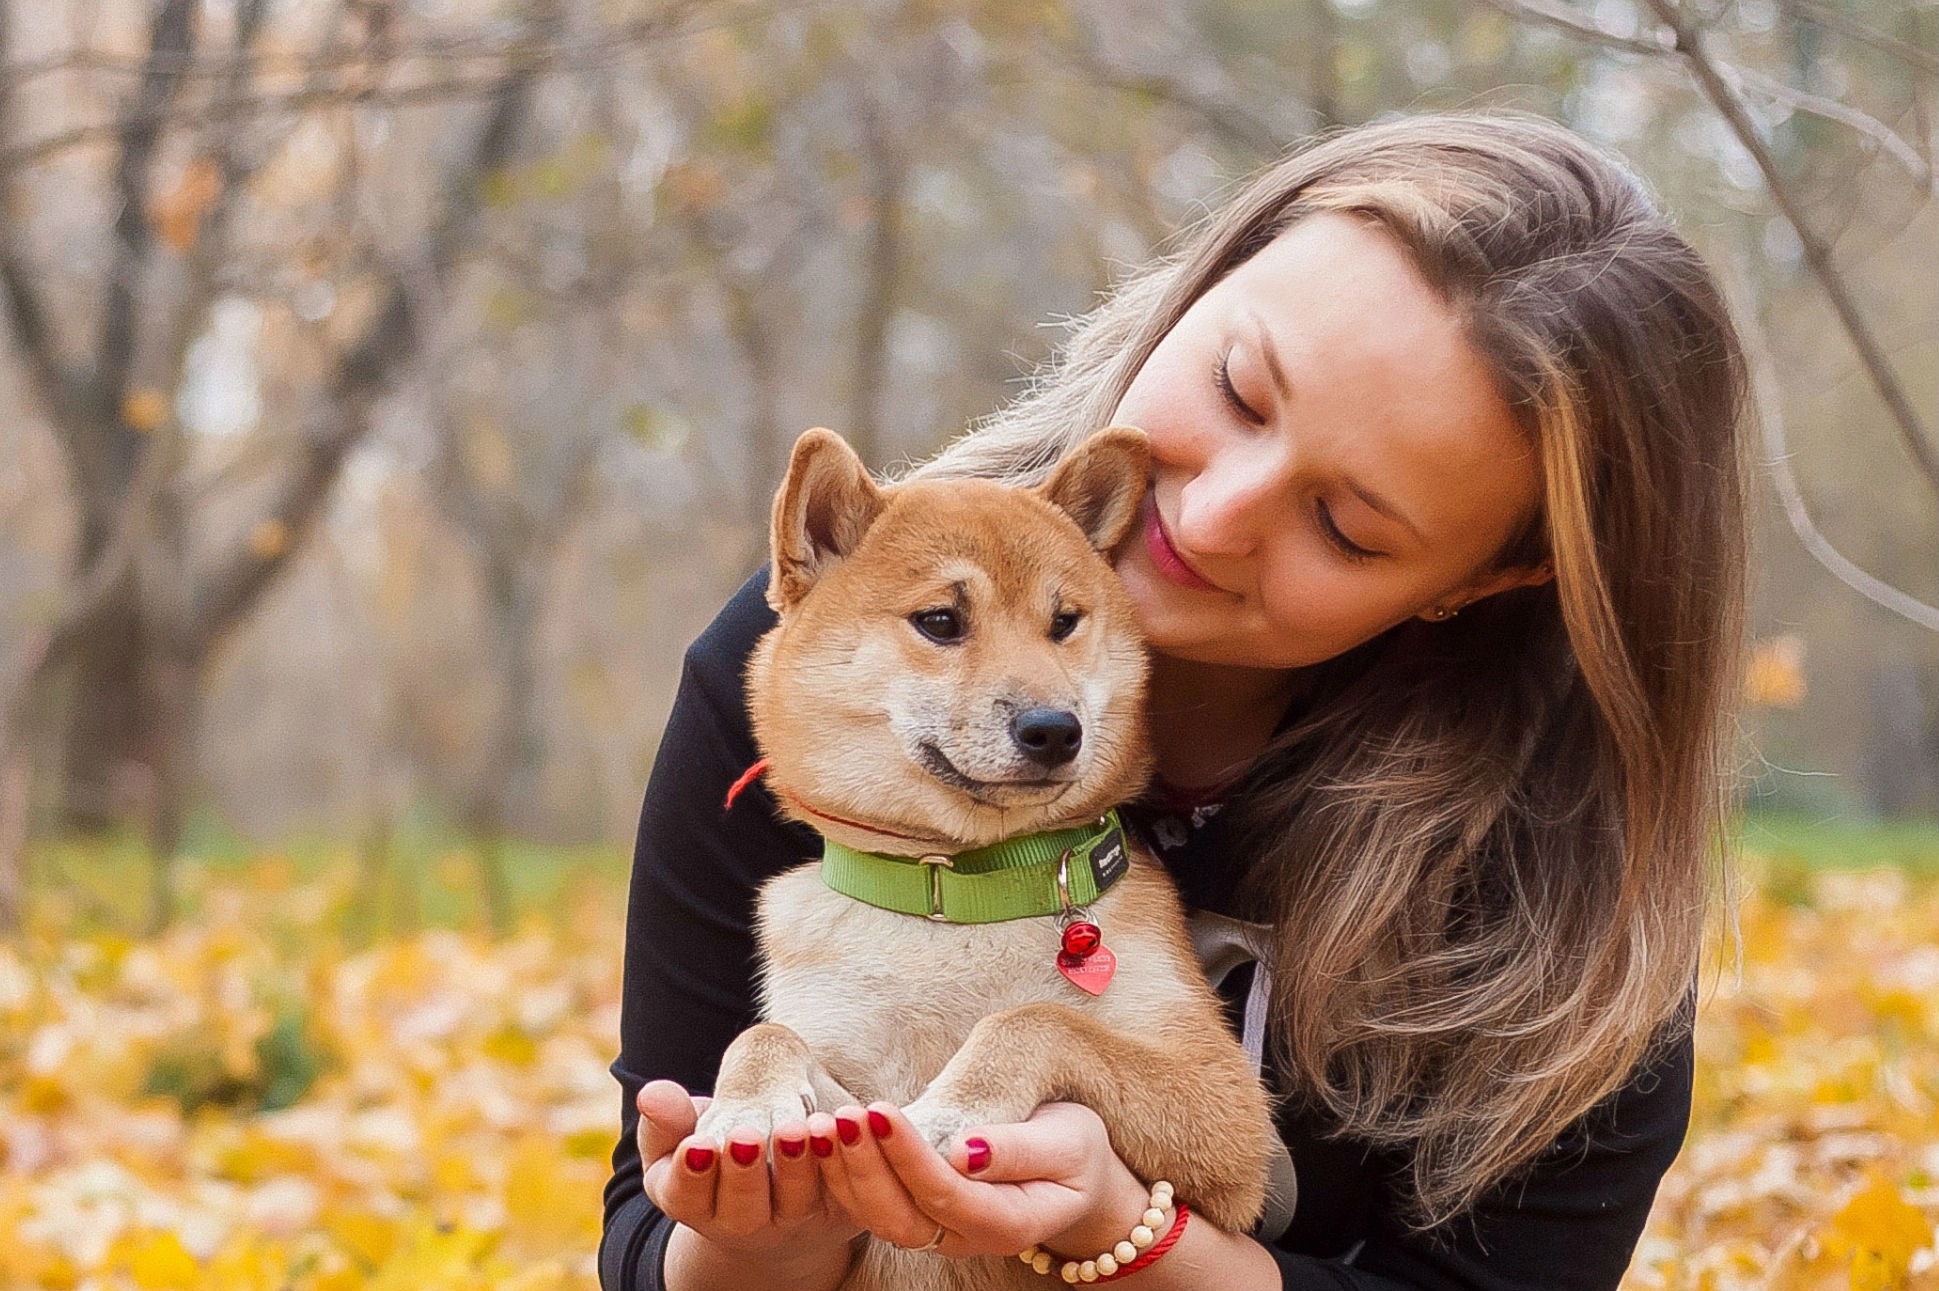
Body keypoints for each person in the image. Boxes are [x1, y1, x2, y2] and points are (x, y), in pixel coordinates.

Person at [599, 112, 1747, 1291]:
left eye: (1344, 528)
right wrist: (760, 1234)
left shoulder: (1558, 875)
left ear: (1484, 579)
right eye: (1238, 390)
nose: (1208, 519)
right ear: (1205, 278)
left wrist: (1131, 1237)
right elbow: (646, 1234)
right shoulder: (821, 657)